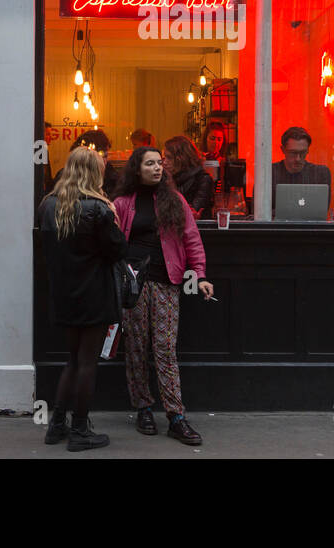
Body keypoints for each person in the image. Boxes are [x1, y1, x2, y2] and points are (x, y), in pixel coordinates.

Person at [112, 146, 214, 445]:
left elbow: (191, 238)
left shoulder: (175, 200)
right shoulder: (121, 203)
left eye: (160, 163)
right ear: (137, 168)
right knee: (136, 348)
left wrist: (200, 274)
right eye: (150, 164)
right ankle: (143, 407)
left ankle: (175, 416)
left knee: (166, 350)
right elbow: (111, 244)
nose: (157, 168)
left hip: (166, 282)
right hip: (133, 285)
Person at [37, 146, 128, 451]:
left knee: (73, 360)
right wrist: (114, 219)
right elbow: (117, 250)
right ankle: (79, 431)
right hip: (94, 294)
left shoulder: (48, 205)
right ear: (96, 172)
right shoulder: (99, 209)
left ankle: (56, 425)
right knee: (88, 363)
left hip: (63, 294)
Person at [271, 125, 332, 211]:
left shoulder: (320, 173)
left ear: (308, 150)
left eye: (303, 153)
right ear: (283, 150)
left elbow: (322, 210)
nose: (298, 158)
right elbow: (259, 212)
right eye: (293, 153)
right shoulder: (269, 173)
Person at [163, 135, 215, 220]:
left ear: (182, 158)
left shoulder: (203, 180)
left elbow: (191, 213)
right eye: (164, 157)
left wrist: (171, 183)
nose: (164, 162)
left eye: (169, 158)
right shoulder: (168, 177)